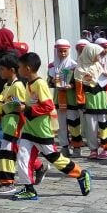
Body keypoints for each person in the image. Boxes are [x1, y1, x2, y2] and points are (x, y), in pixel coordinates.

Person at [11, 53, 92, 201]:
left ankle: (81, 174)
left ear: (28, 69)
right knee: (23, 156)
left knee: (55, 158)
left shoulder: (40, 84)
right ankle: (28, 189)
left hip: (42, 131)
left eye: (20, 67)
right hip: (29, 130)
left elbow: (48, 106)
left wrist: (26, 109)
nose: (18, 69)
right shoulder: (29, 83)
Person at [0, 54, 43, 195]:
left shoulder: (17, 86)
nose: (0, 72)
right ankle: (39, 166)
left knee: (7, 152)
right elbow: (5, 106)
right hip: (7, 123)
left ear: (12, 70)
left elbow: (22, 105)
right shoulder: (6, 85)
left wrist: (21, 122)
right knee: (15, 151)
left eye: (2, 69)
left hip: (15, 124)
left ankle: (8, 183)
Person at [74, 43, 107, 159]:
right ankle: (93, 149)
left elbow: (106, 84)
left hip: (102, 99)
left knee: (104, 124)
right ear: (89, 53)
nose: (99, 56)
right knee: (91, 127)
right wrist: (81, 102)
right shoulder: (80, 69)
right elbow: (79, 87)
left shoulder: (98, 66)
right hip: (89, 100)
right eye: (97, 54)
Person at [0, 29, 18, 155]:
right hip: (13, 91)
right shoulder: (17, 54)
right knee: (14, 119)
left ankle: (1, 149)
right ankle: (14, 148)